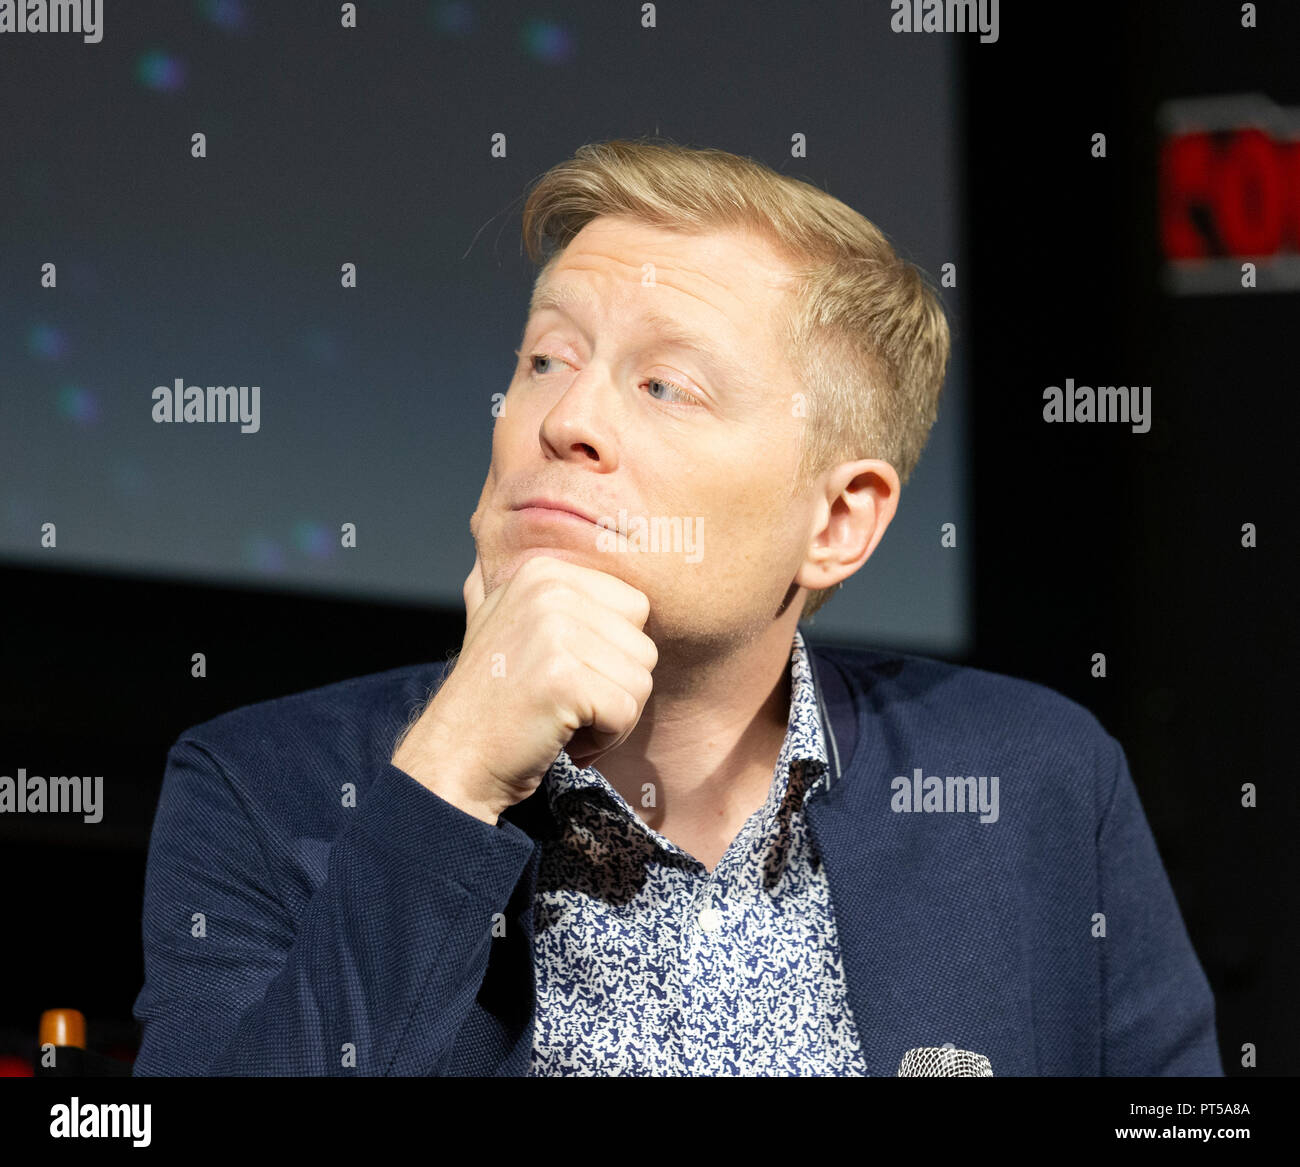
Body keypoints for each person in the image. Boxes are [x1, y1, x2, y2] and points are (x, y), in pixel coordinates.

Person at [132, 139, 1222, 1076]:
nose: (565, 420)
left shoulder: (1033, 779)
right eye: (546, 357)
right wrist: (454, 777)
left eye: (663, 386)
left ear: (838, 521)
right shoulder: (262, 792)